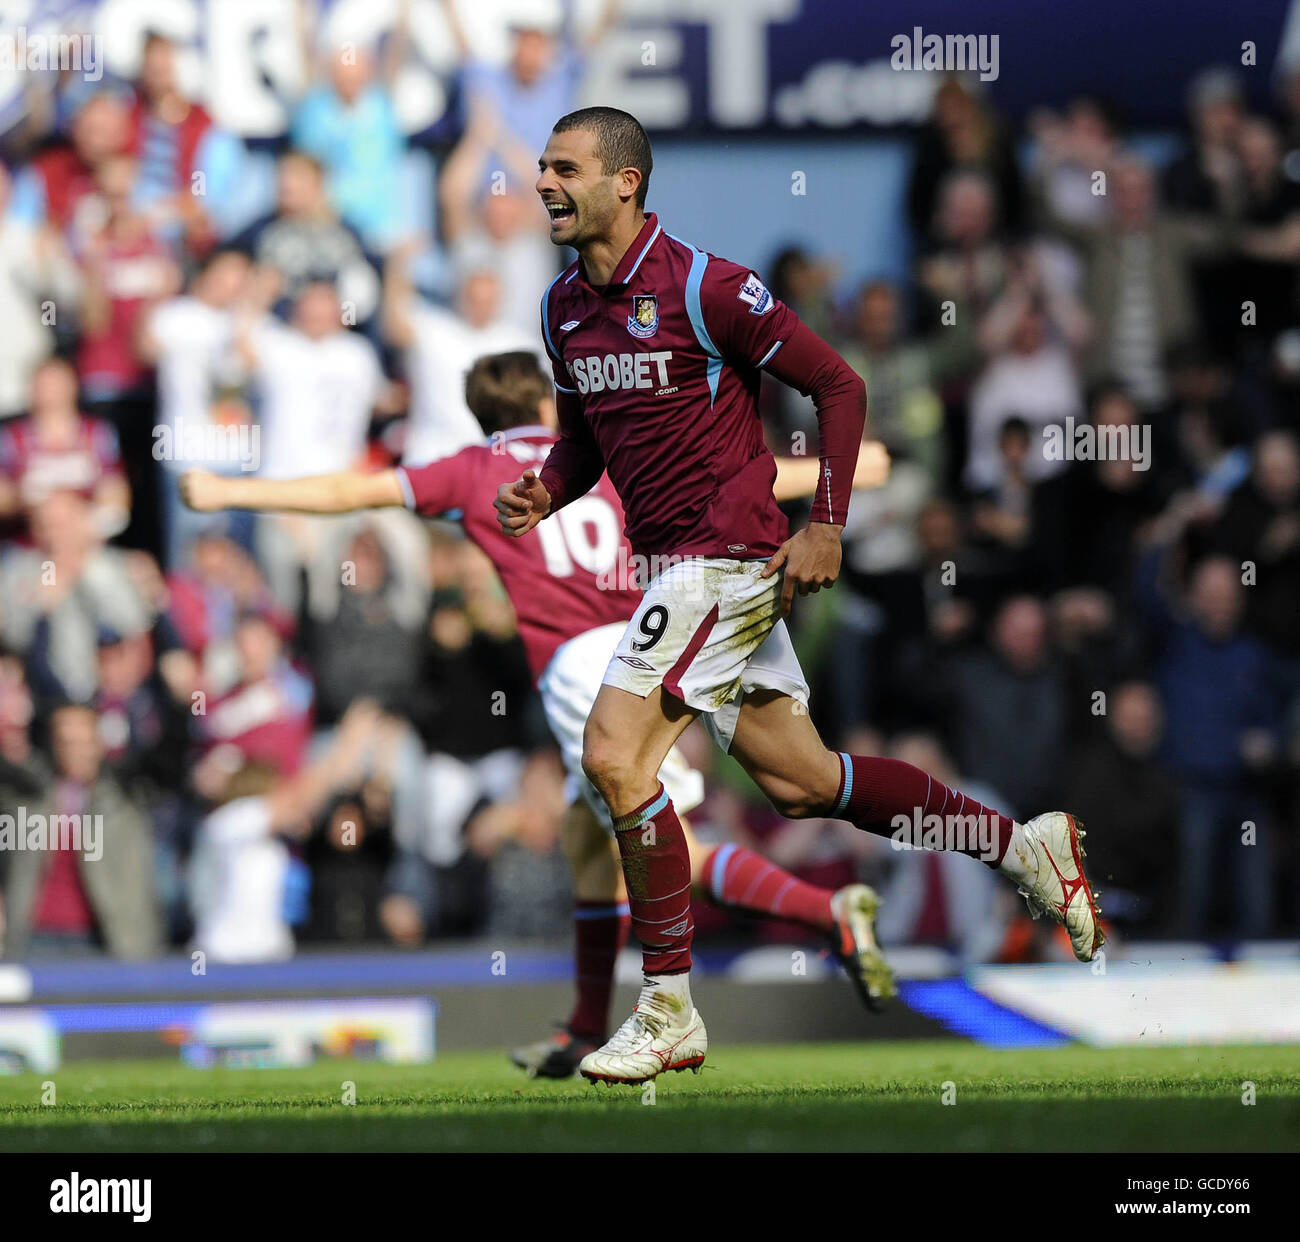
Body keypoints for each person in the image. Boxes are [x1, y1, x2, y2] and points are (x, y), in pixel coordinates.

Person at [494, 107, 1104, 1084]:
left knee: (613, 756)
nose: (544, 184)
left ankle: (666, 1008)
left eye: (564, 168)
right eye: (540, 168)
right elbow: (582, 445)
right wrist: (546, 490)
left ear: (625, 182)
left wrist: (824, 520)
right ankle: (1022, 848)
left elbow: (839, 385)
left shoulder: (706, 285)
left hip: (725, 559)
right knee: (807, 784)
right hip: (676, 573)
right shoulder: (563, 308)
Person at [181, 349, 895, 1078]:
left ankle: (826, 914)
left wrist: (228, 493)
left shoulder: (473, 468)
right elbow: (738, 473)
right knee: (590, 849)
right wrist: (850, 469)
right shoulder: (602, 455)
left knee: (662, 846)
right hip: (648, 642)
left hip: (585, 670)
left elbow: (351, 490)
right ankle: (585, 1029)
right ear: (550, 405)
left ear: (480, 416)